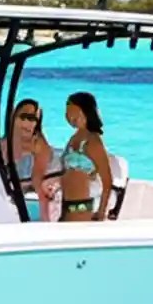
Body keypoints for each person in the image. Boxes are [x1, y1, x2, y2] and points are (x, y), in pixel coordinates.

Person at [0, 98, 61, 220]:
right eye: (24, 117)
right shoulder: (3, 144)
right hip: (24, 185)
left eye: (33, 119)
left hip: (48, 181)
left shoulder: (38, 144)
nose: (29, 123)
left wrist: (46, 223)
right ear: (13, 117)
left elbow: (39, 180)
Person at [59, 91, 114, 222]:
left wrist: (101, 212)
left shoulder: (93, 141)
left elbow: (107, 181)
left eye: (70, 111)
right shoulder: (73, 139)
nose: (67, 116)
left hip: (83, 208)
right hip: (66, 206)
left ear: (82, 110)